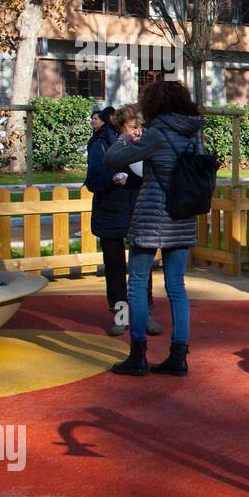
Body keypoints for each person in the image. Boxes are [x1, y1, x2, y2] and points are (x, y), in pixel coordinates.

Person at [104, 79, 206, 378]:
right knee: (176, 286)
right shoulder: (194, 132)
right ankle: (178, 355)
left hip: (152, 215)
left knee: (137, 283)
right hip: (183, 214)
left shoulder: (157, 132)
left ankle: (137, 355)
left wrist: (124, 138)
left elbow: (113, 160)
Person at [86, 104, 158, 336]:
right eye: (133, 127)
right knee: (115, 266)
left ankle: (144, 313)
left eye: (140, 127)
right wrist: (111, 179)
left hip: (138, 210)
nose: (138, 131)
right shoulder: (101, 145)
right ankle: (120, 315)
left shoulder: (144, 145)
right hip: (110, 212)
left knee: (142, 267)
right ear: (120, 127)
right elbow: (93, 179)